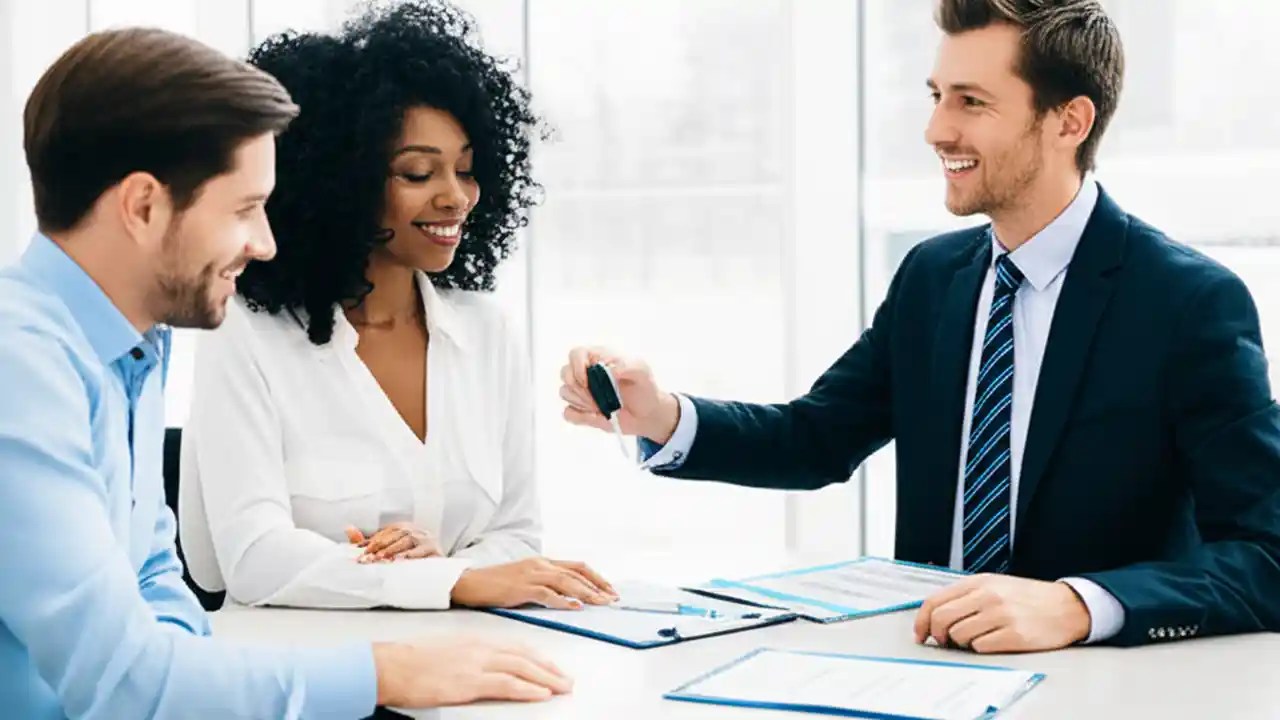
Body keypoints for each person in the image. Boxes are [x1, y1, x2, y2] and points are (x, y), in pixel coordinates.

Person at [561, 0, 1280, 654]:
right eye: (938, 97)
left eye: (971, 102)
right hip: (929, 674)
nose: (937, 130)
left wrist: (1078, 605)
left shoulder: (1187, 302)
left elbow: (1265, 555)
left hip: (1101, 689)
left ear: (1070, 121)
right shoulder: (934, 278)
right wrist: (660, 415)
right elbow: (817, 437)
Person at [0, 27, 570, 719]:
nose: (266, 242)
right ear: (144, 206)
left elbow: (157, 590)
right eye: (244, 210)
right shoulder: (19, 367)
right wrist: (382, 674)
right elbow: (128, 683)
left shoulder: (131, 348)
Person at [179, 0, 616, 612]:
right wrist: (448, 580)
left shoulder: (487, 333)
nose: (456, 198)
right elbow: (253, 560)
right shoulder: (247, 335)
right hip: (300, 680)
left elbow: (517, 537)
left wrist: (440, 570)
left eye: (466, 170)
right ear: (340, 179)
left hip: (460, 664)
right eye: (418, 173)